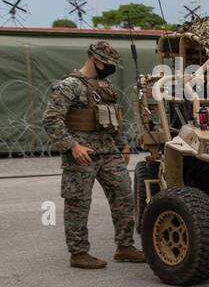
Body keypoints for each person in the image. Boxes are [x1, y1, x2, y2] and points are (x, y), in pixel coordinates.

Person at [42, 41, 146, 269]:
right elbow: (51, 119)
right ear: (94, 59)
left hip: (108, 151)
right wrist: (72, 146)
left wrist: (123, 144)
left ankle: (125, 246)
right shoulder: (69, 85)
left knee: (124, 196)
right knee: (78, 202)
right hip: (82, 153)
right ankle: (79, 253)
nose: (110, 67)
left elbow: (112, 119)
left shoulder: (105, 86)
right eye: (107, 63)